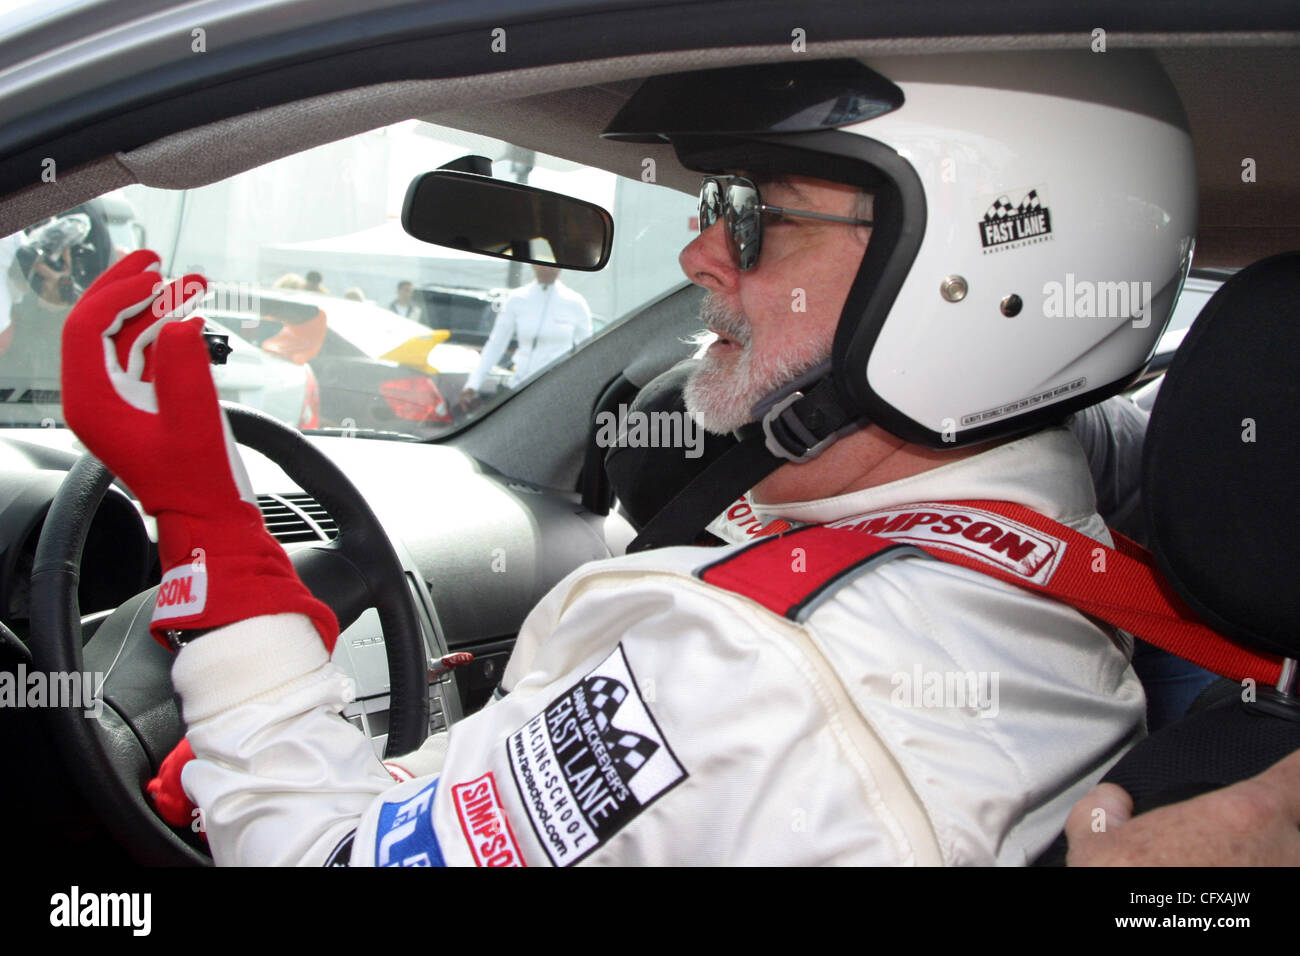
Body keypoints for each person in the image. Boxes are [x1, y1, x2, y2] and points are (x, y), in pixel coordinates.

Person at [59, 52, 1287, 866]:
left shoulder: (755, 687)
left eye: (758, 215)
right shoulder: (1060, 507)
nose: (702, 254)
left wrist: (208, 525)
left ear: (977, 277)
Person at [457, 264, 591, 410]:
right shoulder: (517, 298)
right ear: (534, 264)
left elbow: (588, 350)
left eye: (552, 263)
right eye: (542, 262)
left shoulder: (575, 302)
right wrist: (473, 384)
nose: (547, 268)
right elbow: (496, 345)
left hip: (558, 391)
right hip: (520, 388)